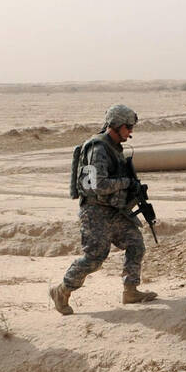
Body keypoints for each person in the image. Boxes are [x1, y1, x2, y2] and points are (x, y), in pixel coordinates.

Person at [50, 105, 158, 315]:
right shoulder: (98, 149)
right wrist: (126, 182)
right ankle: (61, 291)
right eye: (128, 127)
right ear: (116, 126)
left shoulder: (115, 147)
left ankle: (131, 291)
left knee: (136, 244)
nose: (130, 132)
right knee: (94, 258)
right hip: (95, 212)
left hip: (113, 210)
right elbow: (97, 185)